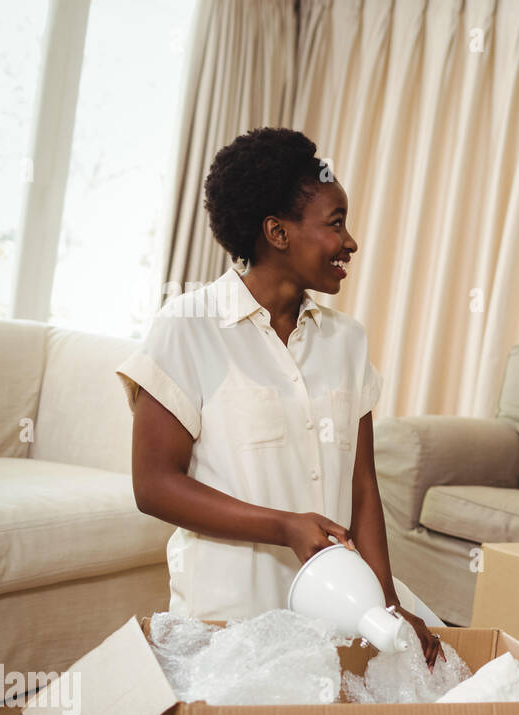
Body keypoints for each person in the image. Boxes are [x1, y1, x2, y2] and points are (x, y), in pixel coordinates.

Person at [116, 127, 443, 665]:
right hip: (229, 624)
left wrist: (384, 604)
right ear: (277, 232)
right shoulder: (188, 328)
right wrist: (284, 525)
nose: (351, 241)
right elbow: (154, 486)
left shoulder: (347, 341)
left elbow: (362, 487)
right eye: (335, 223)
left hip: (336, 613)